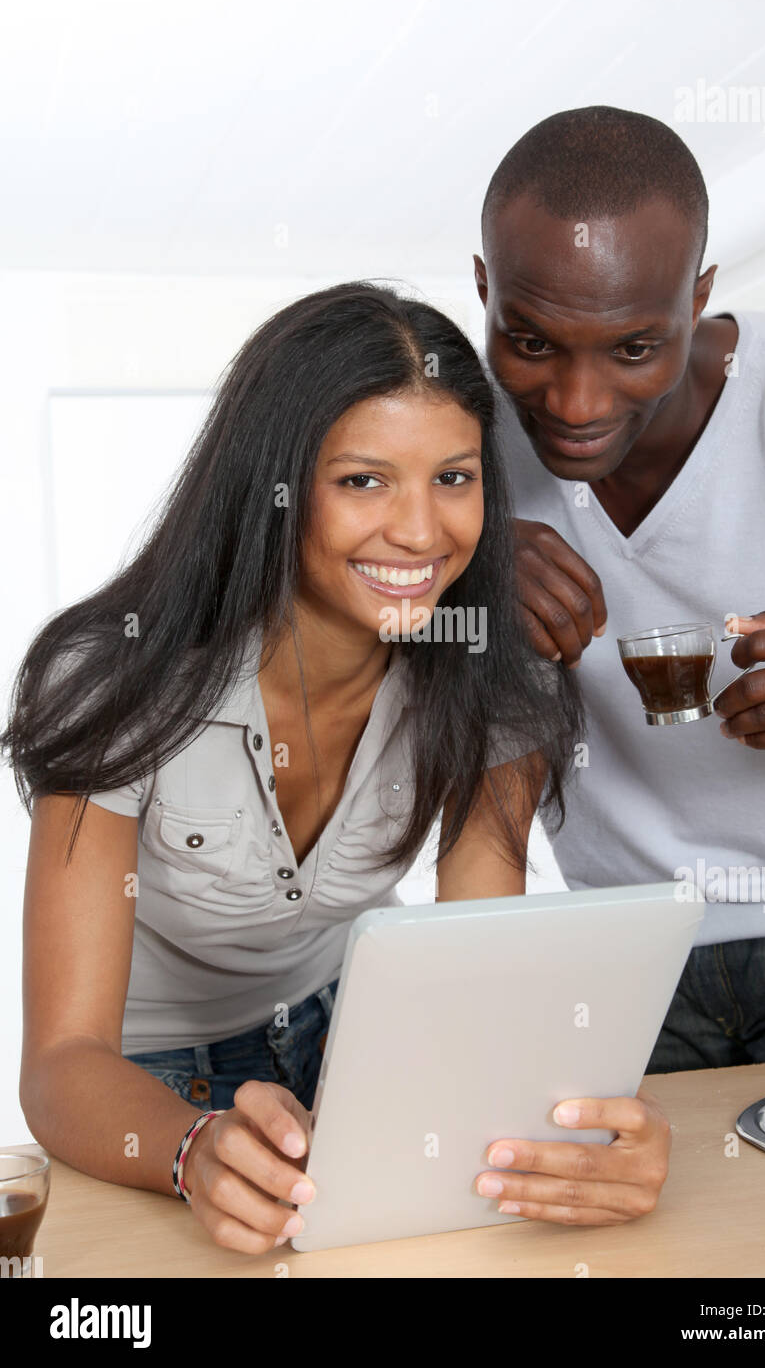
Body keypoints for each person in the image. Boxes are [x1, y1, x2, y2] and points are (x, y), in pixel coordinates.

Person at [6, 282, 671, 1256]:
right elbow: (63, 1061)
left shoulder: (491, 679)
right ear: (271, 486)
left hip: (362, 1044)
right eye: (363, 481)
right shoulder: (115, 678)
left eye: (452, 478)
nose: (419, 532)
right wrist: (193, 1148)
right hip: (143, 1090)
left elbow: (476, 973)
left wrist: (586, 1139)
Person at [474, 106, 765, 1073]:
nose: (575, 404)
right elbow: (315, 619)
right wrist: (461, 574)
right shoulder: (450, 456)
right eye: (530, 343)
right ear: (484, 289)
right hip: (621, 944)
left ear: (699, 297)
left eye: (633, 349)